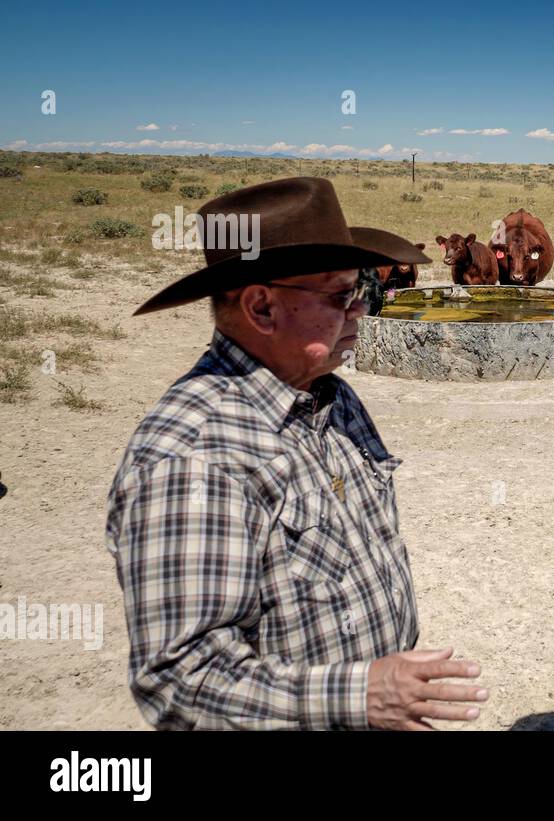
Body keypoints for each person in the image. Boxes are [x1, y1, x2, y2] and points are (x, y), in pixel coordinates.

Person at [107, 177, 488, 730]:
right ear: (262, 307)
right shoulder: (193, 458)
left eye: (360, 292)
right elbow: (180, 680)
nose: (361, 310)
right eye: (340, 295)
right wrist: (360, 696)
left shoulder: (329, 394)